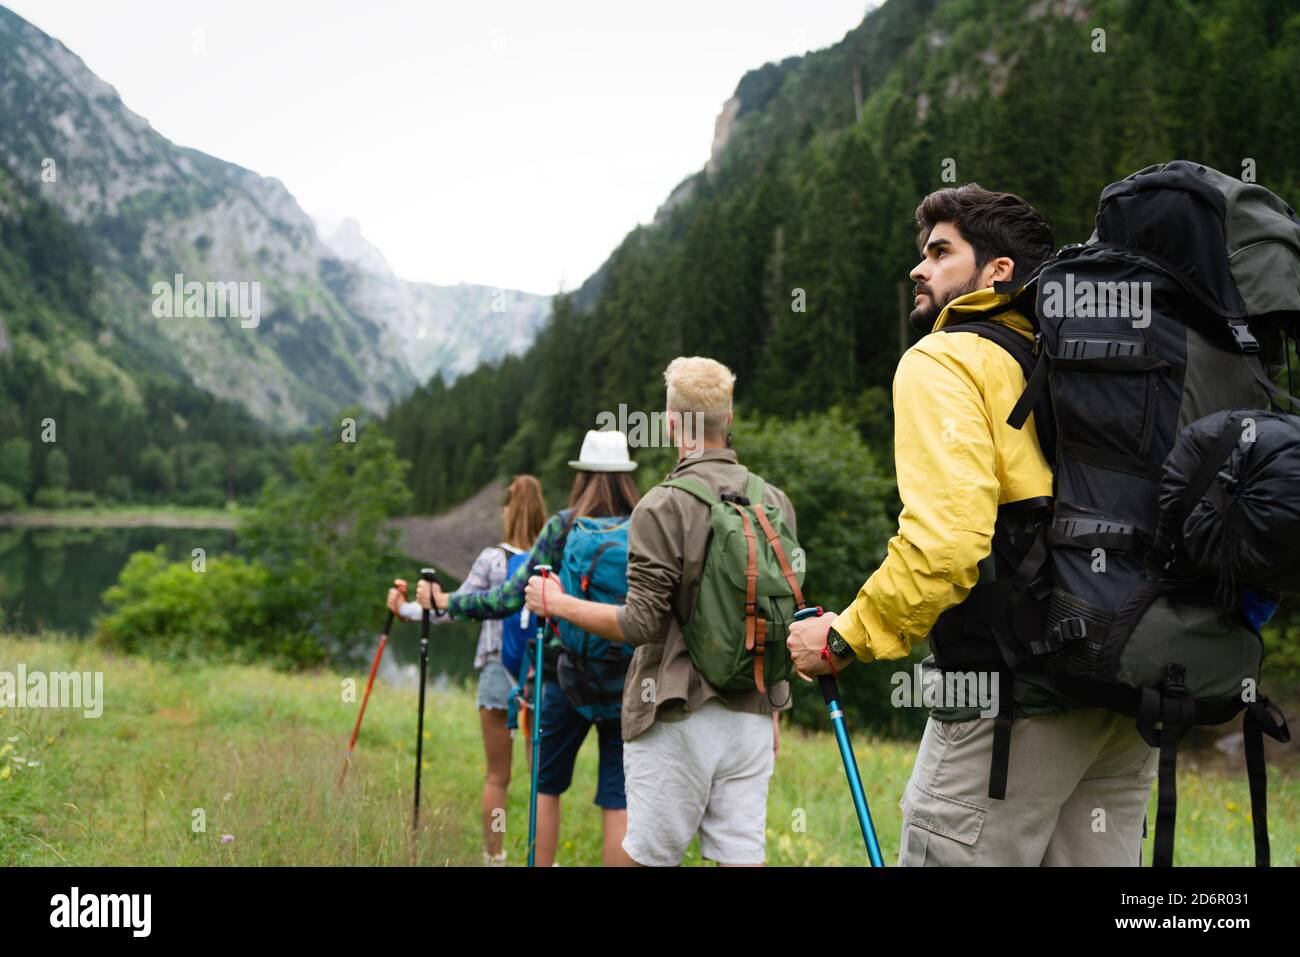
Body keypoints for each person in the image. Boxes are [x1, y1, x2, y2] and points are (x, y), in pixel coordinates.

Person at [787, 184, 1158, 866]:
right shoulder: (1089, 367)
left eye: (939, 251)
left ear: (998, 271)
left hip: (1010, 701)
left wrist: (843, 637)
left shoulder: (945, 358)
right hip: (1124, 692)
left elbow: (948, 544)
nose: (918, 269)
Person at [524, 356, 793, 867]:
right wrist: (775, 708)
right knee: (741, 856)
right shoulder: (773, 501)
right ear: (728, 419)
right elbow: (777, 615)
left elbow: (642, 623)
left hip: (677, 708)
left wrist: (560, 605)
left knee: (646, 856)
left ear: (673, 424)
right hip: (753, 714)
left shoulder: (662, 505)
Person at [418, 432, 640, 867]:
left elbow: (506, 599)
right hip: (626, 683)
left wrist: (445, 602)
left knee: (547, 789)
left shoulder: (562, 526)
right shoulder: (646, 526)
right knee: (618, 803)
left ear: (583, 476)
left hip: (563, 679)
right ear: (626, 478)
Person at [387, 474, 546, 867]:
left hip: (497, 674)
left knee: (498, 777)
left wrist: (406, 610)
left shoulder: (493, 559)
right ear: (543, 512)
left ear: (508, 510)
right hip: (540, 677)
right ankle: (541, 858)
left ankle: (496, 858)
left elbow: (452, 606)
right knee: (543, 783)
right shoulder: (551, 560)